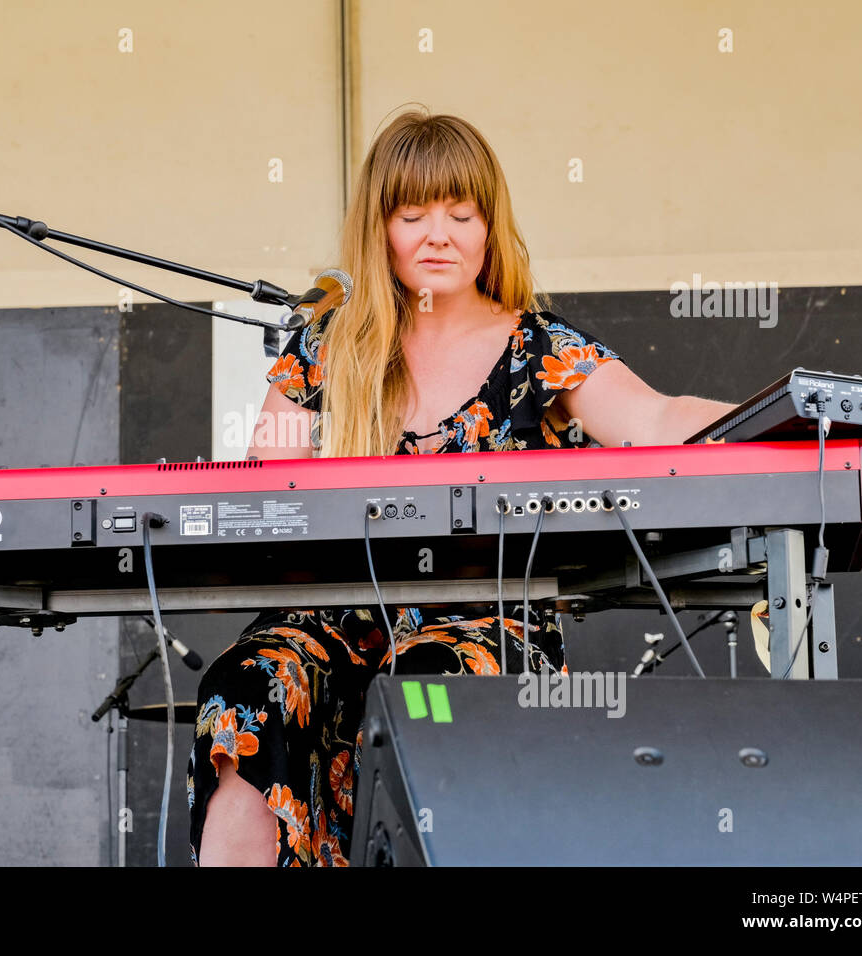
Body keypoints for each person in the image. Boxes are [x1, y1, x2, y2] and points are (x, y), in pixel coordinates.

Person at [186, 109, 736, 866]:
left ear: (489, 226)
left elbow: (657, 417)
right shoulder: (325, 346)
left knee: (430, 677)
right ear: (380, 228)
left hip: (484, 620)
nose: (437, 234)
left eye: (460, 213)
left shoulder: (537, 346)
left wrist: (782, 413)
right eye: (412, 214)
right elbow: (263, 483)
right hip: (334, 614)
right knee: (245, 683)